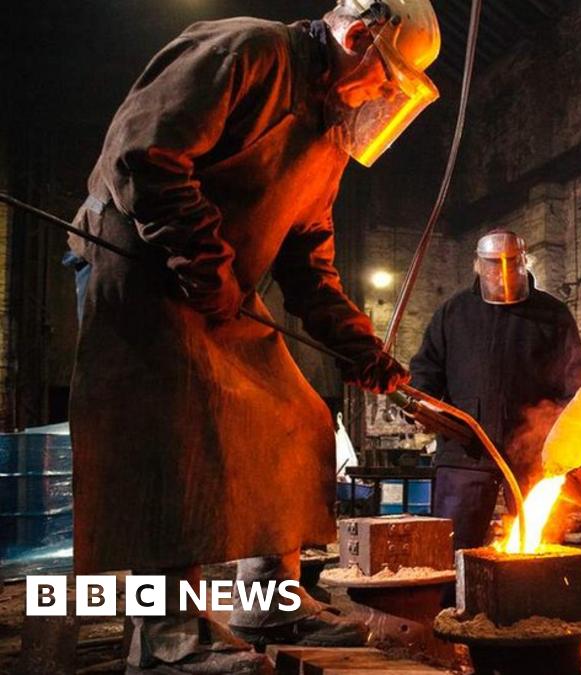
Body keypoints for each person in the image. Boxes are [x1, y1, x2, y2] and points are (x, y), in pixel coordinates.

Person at [67, 1, 439, 672]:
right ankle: (166, 639)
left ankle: (268, 601)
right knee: (173, 438)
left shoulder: (328, 135)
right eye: (385, 79)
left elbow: (308, 265)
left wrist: (362, 349)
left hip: (216, 283)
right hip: (139, 262)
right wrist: (203, 263)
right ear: (358, 35)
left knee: (294, 418)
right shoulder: (247, 53)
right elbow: (144, 154)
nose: (381, 96)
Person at [410, 230, 581, 557]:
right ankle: (454, 593)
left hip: (532, 454)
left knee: (539, 548)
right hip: (466, 450)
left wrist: (562, 435)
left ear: (524, 261)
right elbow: (427, 369)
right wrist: (421, 403)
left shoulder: (553, 315)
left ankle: (533, 593)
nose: (502, 274)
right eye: (493, 265)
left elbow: (574, 382)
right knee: (453, 546)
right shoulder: (453, 313)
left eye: (511, 263)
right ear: (478, 265)